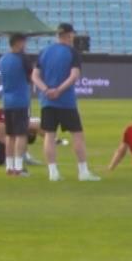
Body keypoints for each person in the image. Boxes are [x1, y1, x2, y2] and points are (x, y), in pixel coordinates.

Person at [33, 23, 96, 181]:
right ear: (69, 35)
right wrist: (59, 90)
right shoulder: (72, 52)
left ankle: (53, 173)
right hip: (66, 101)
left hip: (47, 101)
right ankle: (83, 171)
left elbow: (34, 76)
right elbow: (74, 76)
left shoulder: (44, 51)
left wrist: (46, 90)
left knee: (49, 135)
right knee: (77, 135)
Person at [0, 33, 34, 176]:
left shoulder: (2, 59)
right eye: (24, 43)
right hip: (20, 100)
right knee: (21, 134)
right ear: (19, 43)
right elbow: (31, 76)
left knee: (10, 134)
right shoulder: (23, 59)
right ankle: (18, 167)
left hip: (7, 101)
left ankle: (9, 166)